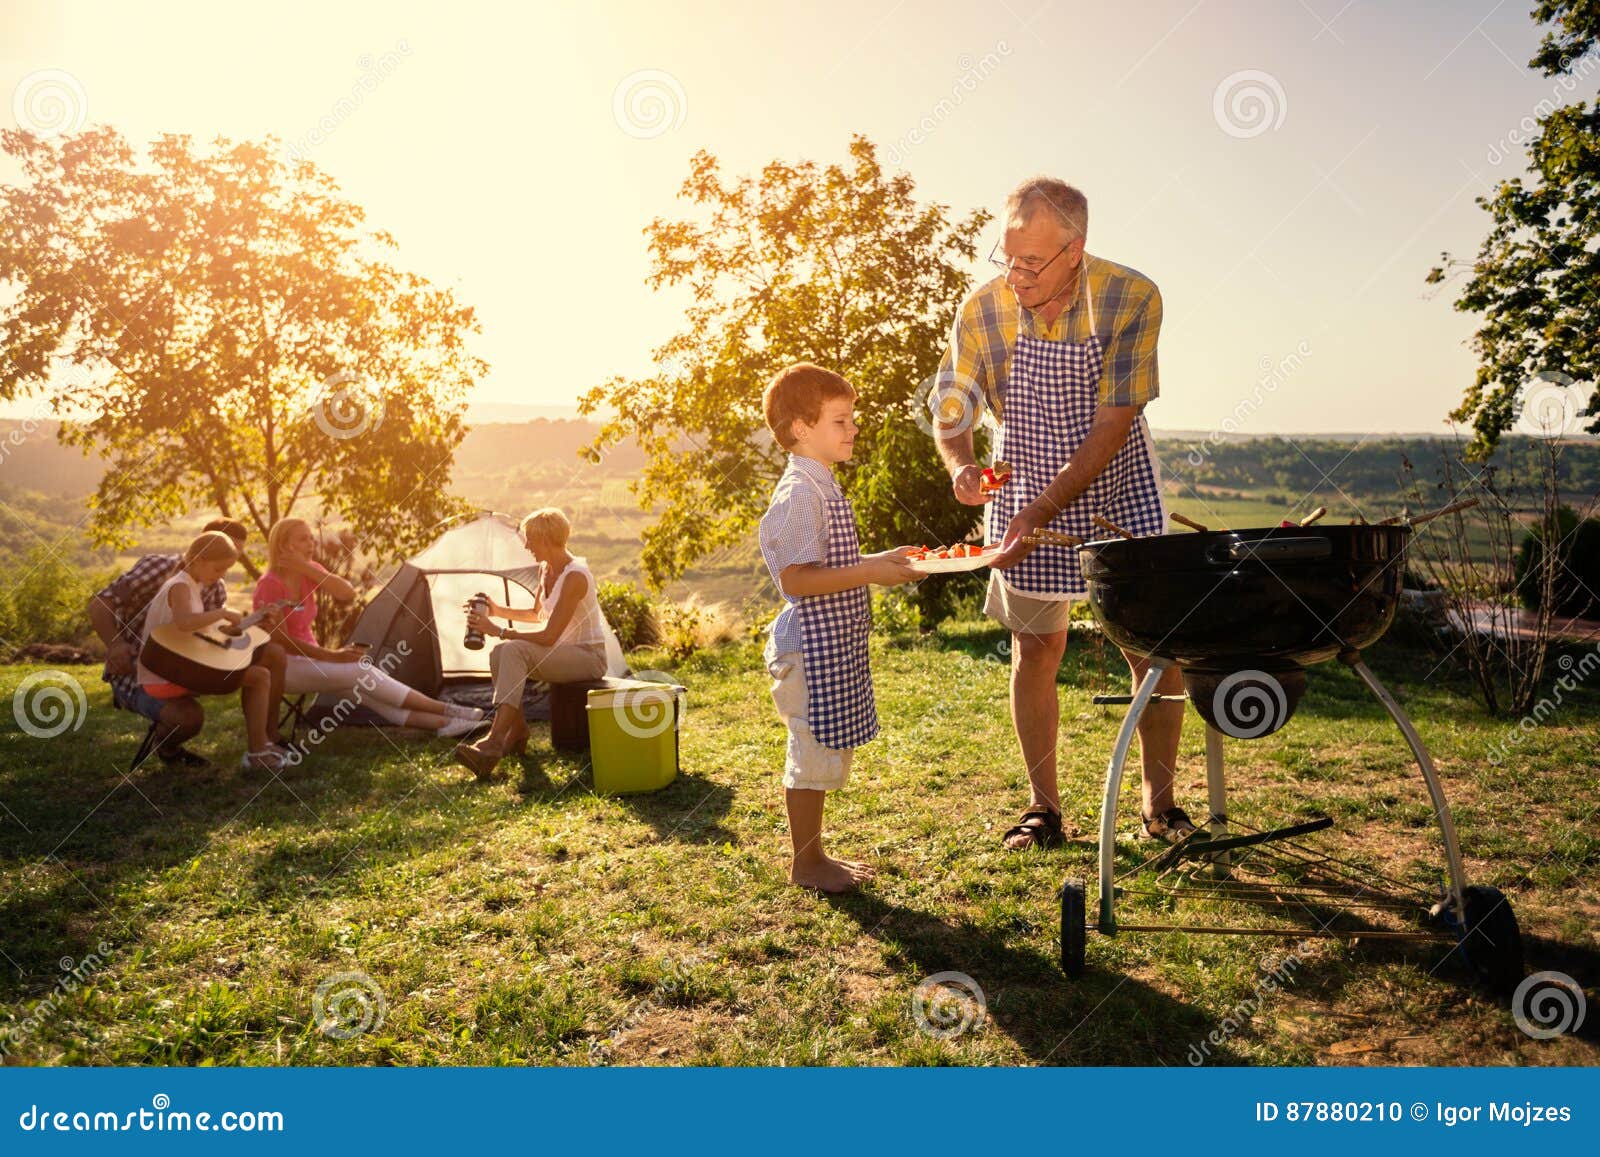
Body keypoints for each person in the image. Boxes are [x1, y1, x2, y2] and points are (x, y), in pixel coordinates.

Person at [932, 176, 1193, 848]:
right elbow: (953, 408)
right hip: (1022, 483)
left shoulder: (1132, 298)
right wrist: (962, 465)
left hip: (1116, 485)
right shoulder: (981, 311)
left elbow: (1111, 427)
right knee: (1037, 646)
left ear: (1075, 249)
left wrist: (1046, 506)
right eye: (1007, 257)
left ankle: (1159, 805)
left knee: (1154, 651)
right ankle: (1043, 808)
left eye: (1032, 262)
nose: (1015, 275)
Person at [758, 363, 917, 893]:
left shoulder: (819, 483)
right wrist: (870, 572)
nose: (853, 429)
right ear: (801, 428)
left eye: (852, 419)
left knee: (822, 748)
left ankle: (815, 854)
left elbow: (825, 562)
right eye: (840, 420)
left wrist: (879, 558)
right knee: (810, 749)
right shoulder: (800, 492)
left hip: (822, 643)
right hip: (806, 646)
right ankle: (806, 865)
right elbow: (799, 579)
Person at [253, 518, 484, 739]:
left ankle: (447, 724)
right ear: (285, 545)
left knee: (366, 691)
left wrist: (307, 568)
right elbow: (279, 639)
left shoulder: (309, 572)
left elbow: (347, 593)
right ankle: (449, 710)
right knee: (358, 671)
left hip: (312, 661)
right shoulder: (270, 585)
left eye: (312, 539)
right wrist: (332, 656)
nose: (311, 544)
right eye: (304, 539)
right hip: (284, 667)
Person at [87, 517, 287, 766]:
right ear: (201, 549)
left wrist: (256, 623)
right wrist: (115, 644)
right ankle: (167, 746)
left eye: (233, 556)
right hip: (143, 669)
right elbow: (100, 604)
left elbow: (214, 636)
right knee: (188, 717)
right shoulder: (162, 571)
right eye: (222, 555)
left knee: (271, 658)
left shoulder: (212, 583)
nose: (225, 568)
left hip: (187, 665)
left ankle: (267, 741)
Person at [455, 508, 611, 780]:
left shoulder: (575, 576)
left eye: (531, 540)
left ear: (547, 539)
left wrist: (500, 630)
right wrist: (497, 610)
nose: (527, 546)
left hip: (588, 657)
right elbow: (537, 614)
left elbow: (549, 635)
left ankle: (493, 742)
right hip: (561, 654)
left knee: (511, 647)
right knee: (499, 653)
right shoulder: (545, 569)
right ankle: (517, 732)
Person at [136, 532, 288, 772]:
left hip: (179, 669)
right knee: (259, 677)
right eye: (218, 569)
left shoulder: (190, 585)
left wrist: (254, 621)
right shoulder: (180, 586)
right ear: (196, 559)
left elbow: (196, 631)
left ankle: (262, 746)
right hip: (165, 676)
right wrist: (222, 612)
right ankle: (258, 753)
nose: (222, 576)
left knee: (259, 672)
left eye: (225, 570)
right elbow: (185, 622)